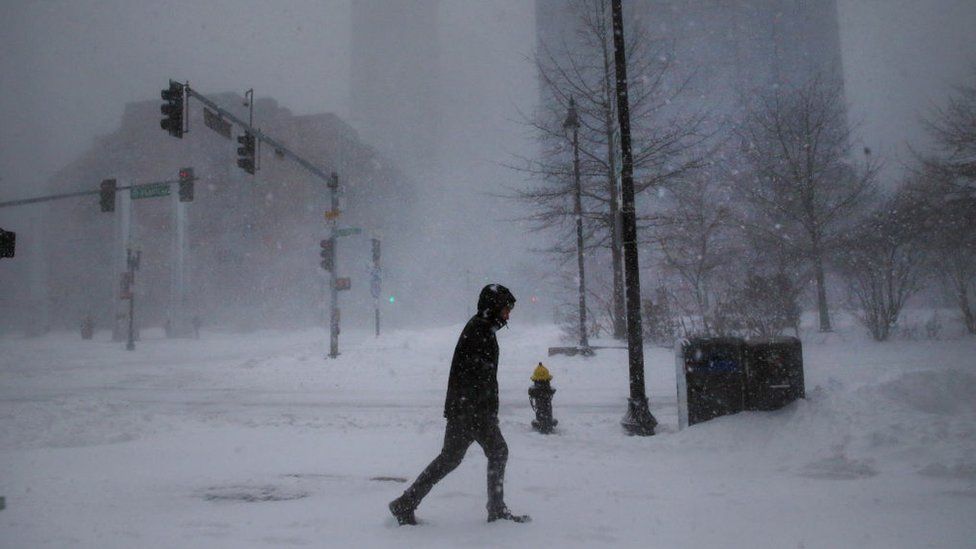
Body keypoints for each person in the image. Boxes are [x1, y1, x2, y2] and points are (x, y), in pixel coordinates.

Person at [389, 284, 530, 525]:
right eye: (506, 308)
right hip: (472, 409)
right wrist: (484, 412)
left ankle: (405, 503)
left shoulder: (481, 328)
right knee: (498, 451)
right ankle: (496, 510)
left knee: (450, 458)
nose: (509, 314)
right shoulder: (480, 331)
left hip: (464, 408)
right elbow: (478, 377)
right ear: (494, 307)